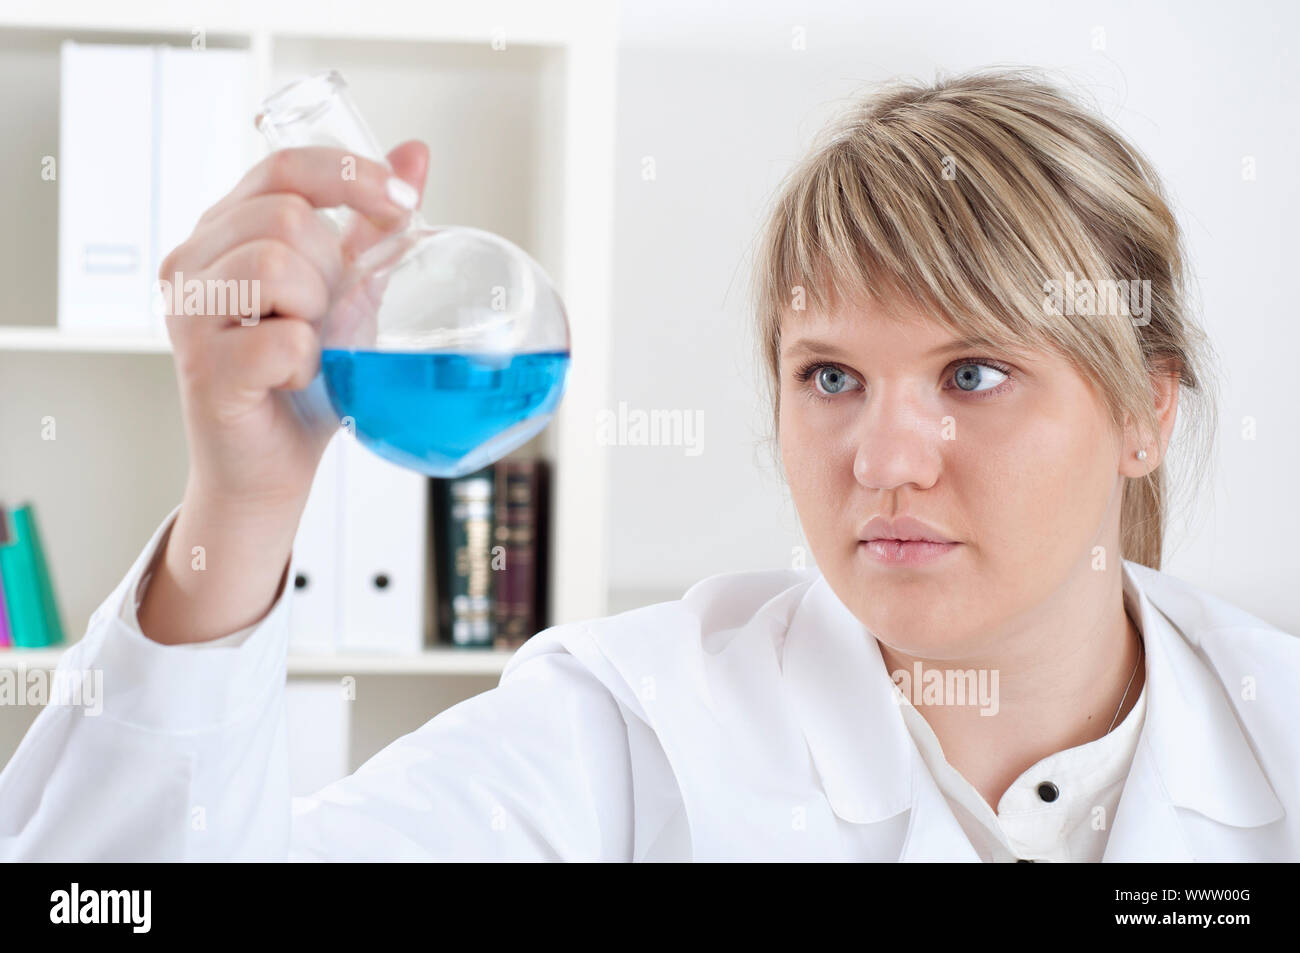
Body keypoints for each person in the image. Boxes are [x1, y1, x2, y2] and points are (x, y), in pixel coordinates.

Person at [1, 67, 1296, 862]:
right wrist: (243, 497)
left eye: (973, 374)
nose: (886, 459)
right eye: (830, 376)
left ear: (1147, 412)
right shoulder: (628, 733)